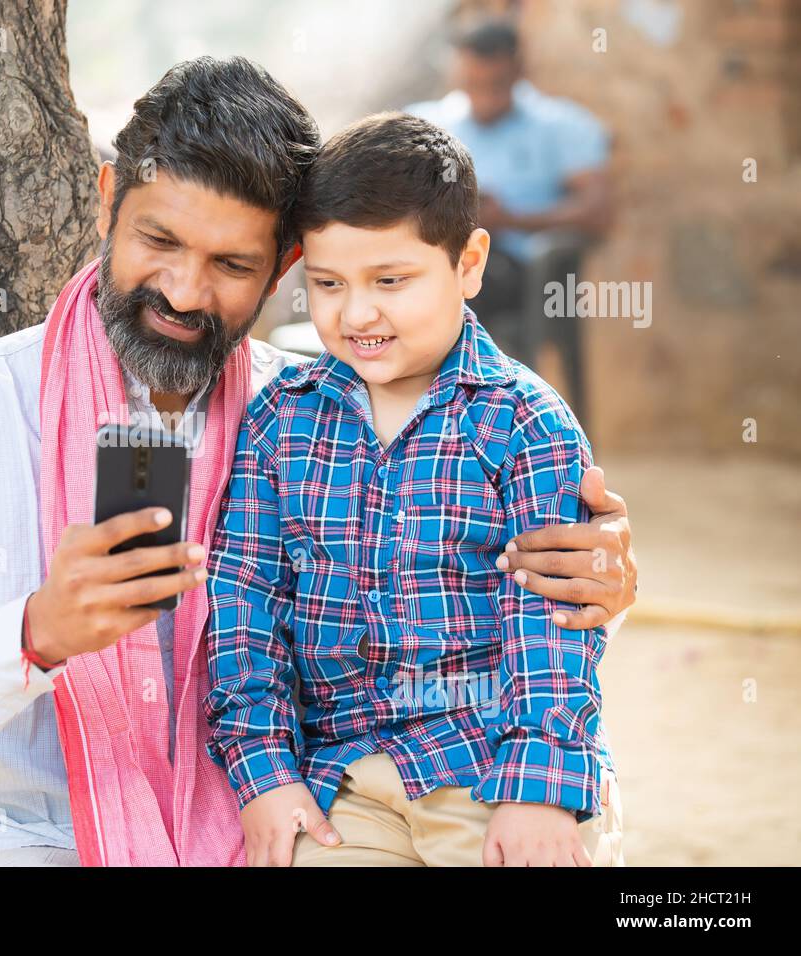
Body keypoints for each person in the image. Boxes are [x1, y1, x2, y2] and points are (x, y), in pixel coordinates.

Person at [0, 57, 638, 868]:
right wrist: (36, 635)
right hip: (41, 846)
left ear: (283, 269)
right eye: (159, 240)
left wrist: (599, 584)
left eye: (232, 266)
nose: (182, 290)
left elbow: (463, 587)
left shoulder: (305, 411)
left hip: (277, 832)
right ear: (109, 201)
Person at [205, 112, 622, 867]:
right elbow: (244, 602)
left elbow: (553, 622)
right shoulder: (281, 418)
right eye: (328, 284)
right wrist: (263, 771)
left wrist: (539, 790)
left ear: (468, 265)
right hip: (343, 786)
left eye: (390, 281)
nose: (356, 313)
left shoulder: (525, 424)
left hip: (492, 770)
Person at [405, 18, 612, 373]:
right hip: (436, 253)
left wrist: (510, 220)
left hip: (519, 269)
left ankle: (466, 401)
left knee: (459, 281)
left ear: (518, 70)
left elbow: (598, 213)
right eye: (473, 84)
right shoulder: (428, 123)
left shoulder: (558, 125)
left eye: (495, 85)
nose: (483, 98)